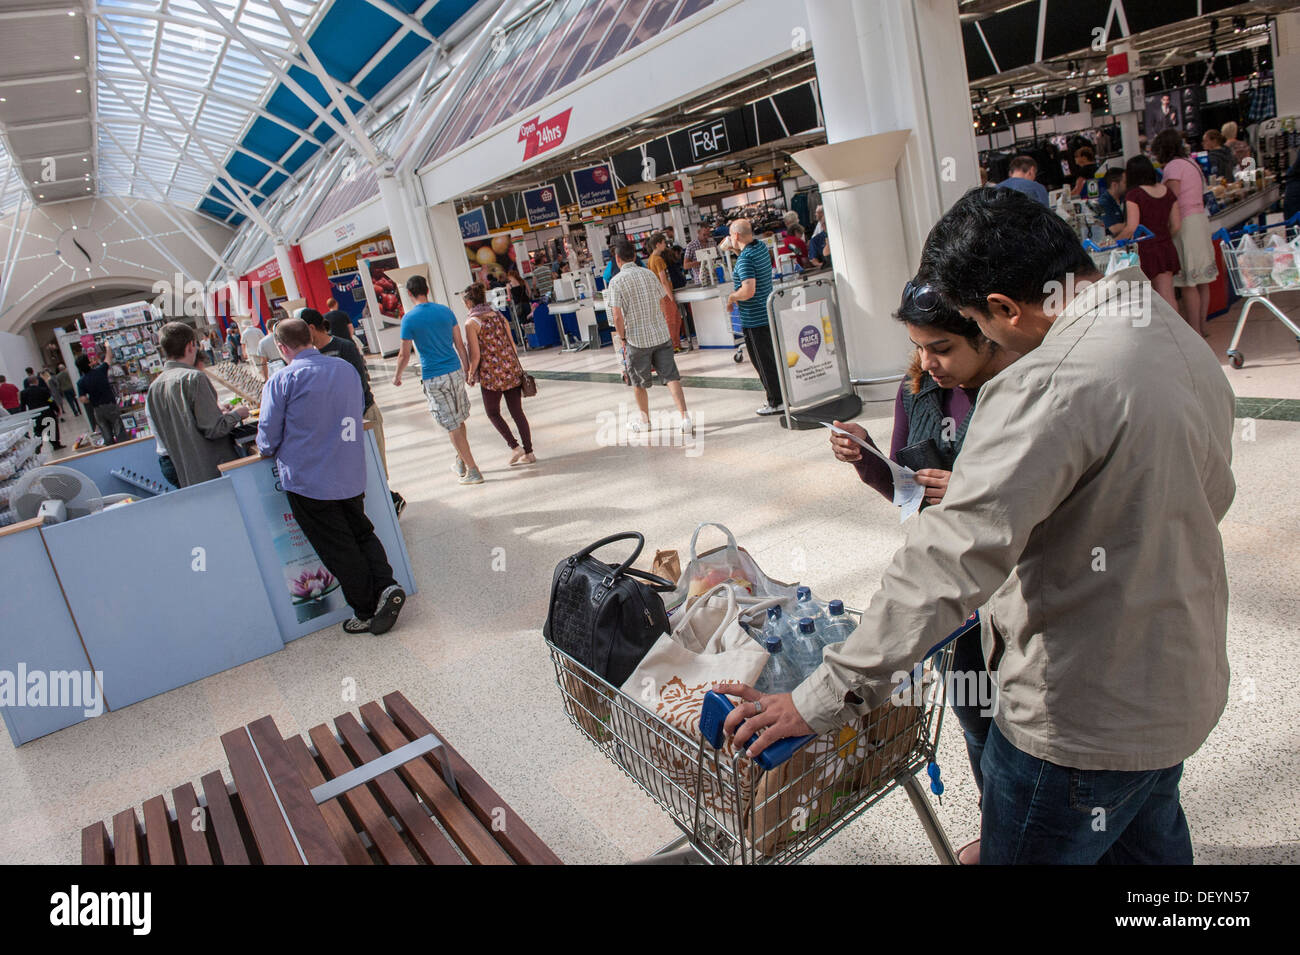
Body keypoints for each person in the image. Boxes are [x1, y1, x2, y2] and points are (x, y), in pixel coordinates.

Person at [720, 185, 1235, 865]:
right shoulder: (1167, 329)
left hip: (1078, 721)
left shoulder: (1046, 383)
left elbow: (947, 565)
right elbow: (1205, 490)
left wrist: (821, 695)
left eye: (977, 327)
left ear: (1001, 309)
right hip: (1177, 690)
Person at [830, 284, 1018, 864]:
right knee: (975, 717)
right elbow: (904, 484)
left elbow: (1045, 497)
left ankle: (1020, 837)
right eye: (918, 348)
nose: (928, 363)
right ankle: (1003, 831)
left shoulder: (1018, 393)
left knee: (1022, 729)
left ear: (984, 331)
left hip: (1013, 587)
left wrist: (967, 492)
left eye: (940, 347)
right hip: (950, 589)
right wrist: (867, 456)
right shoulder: (918, 390)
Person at [257, 318, 406, 636]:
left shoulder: (282, 380)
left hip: (308, 479)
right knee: (362, 532)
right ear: (310, 335)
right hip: (348, 469)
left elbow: (267, 440)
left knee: (338, 546)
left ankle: (366, 610)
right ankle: (387, 586)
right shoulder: (345, 369)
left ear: (282, 347)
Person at [301, 308, 406, 514]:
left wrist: (352, 419)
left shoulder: (344, 347)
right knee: (356, 470)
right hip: (338, 423)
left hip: (363, 415)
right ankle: (380, 506)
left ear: (312, 328)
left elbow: (360, 383)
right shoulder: (310, 356)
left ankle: (389, 505)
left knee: (376, 466)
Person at [392, 274, 483, 486]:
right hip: (454, 371)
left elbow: (404, 355)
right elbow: (460, 345)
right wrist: (468, 369)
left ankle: (473, 470)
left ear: (409, 294)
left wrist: (397, 376)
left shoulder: (409, 319)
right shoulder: (445, 311)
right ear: (427, 290)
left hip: (433, 376)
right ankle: (462, 461)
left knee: (451, 424)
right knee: (458, 419)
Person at [603, 237, 692, 435]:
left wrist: (622, 337)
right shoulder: (649, 274)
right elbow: (662, 302)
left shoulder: (615, 282)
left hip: (636, 339)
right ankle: (685, 417)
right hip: (660, 335)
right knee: (671, 376)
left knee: (638, 382)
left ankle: (645, 421)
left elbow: (617, 316)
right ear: (634, 256)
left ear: (617, 259)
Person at [146, 322, 249, 487]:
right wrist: (238, 413)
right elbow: (214, 429)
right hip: (214, 470)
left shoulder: (155, 387)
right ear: (190, 346)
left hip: (187, 474)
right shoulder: (194, 378)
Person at [1153, 128, 1217, 336]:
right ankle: (1203, 325)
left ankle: (1195, 331)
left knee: (1189, 282)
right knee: (1202, 279)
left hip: (1186, 223)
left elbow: (1172, 199)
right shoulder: (1191, 163)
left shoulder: (1173, 167)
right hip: (1200, 220)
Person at [462, 283, 534, 466]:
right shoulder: (499, 316)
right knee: (517, 412)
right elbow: (512, 344)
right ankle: (529, 452)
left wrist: (470, 374)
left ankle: (514, 446)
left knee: (493, 412)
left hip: (491, 375)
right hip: (510, 369)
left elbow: (475, 355)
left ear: (469, 302)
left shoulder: (471, 323)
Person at [727, 218, 780, 416]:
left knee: (763, 362)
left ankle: (775, 401)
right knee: (771, 358)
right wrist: (735, 250)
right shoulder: (759, 249)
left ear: (736, 235)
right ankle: (780, 396)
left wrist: (732, 297)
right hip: (767, 313)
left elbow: (748, 290)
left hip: (754, 318)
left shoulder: (745, 259)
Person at [1117, 154, 1182, 308]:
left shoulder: (1134, 195)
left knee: (1147, 300)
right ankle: (1177, 331)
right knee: (1168, 296)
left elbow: (1132, 227)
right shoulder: (1167, 192)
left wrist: (1115, 242)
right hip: (1165, 247)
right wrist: (1163, 237)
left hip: (1145, 250)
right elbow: (1176, 225)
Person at [75, 347, 126, 444]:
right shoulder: (100, 370)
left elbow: (83, 399)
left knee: (105, 431)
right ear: (89, 363)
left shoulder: (81, 382)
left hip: (97, 409)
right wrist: (107, 347)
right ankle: (123, 445)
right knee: (118, 427)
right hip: (110, 404)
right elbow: (109, 357)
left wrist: (90, 399)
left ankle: (110, 448)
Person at [645, 232, 685, 351]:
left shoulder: (651, 259)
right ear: (658, 244)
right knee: (672, 320)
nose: (665, 245)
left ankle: (676, 344)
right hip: (665, 294)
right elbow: (663, 280)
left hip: (659, 294)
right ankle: (674, 346)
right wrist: (670, 296)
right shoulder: (658, 260)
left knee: (675, 319)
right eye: (663, 243)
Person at [19, 376, 63, 449]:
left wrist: (24, 417)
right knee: (52, 428)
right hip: (47, 413)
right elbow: (50, 400)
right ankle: (56, 445)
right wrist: (57, 409)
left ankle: (37, 446)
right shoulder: (44, 390)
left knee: (38, 431)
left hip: (35, 415)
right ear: (36, 381)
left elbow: (22, 405)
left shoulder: (23, 393)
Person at [1093, 168, 1127, 237]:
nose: (1127, 185)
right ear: (1114, 185)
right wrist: (1133, 222)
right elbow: (1112, 229)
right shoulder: (1102, 203)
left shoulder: (1124, 198)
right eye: (1125, 182)